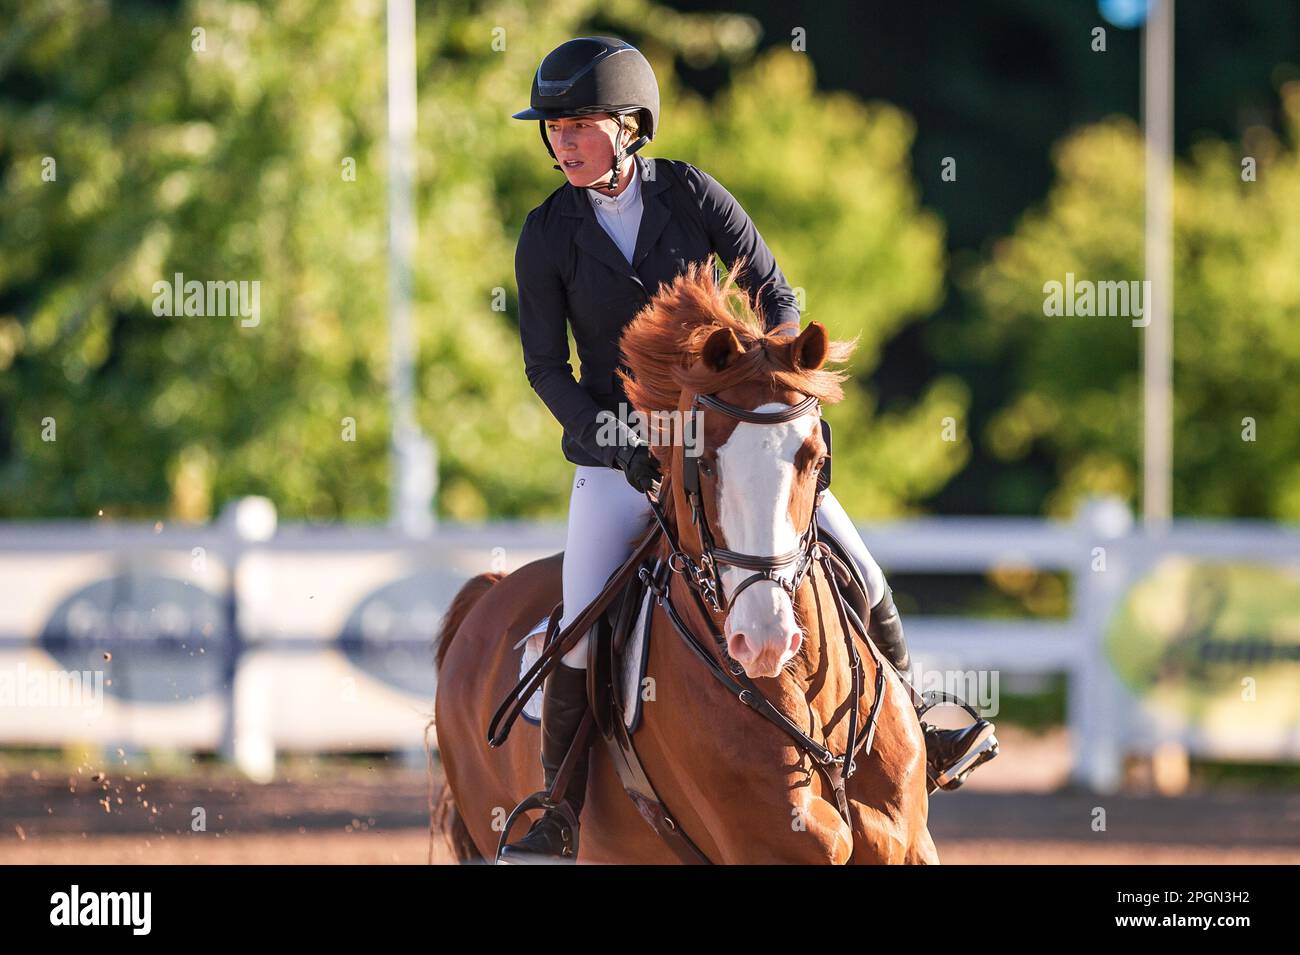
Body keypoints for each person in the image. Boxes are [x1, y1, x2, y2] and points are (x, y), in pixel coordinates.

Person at [500, 36, 996, 863]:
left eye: (579, 123)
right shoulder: (546, 233)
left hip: (730, 440)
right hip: (622, 456)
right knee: (581, 621)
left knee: (858, 567)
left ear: (630, 127)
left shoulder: (690, 192)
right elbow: (546, 366)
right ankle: (558, 805)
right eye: (553, 127)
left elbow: (777, 291)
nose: (562, 141)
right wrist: (614, 439)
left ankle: (919, 726)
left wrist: (763, 388)